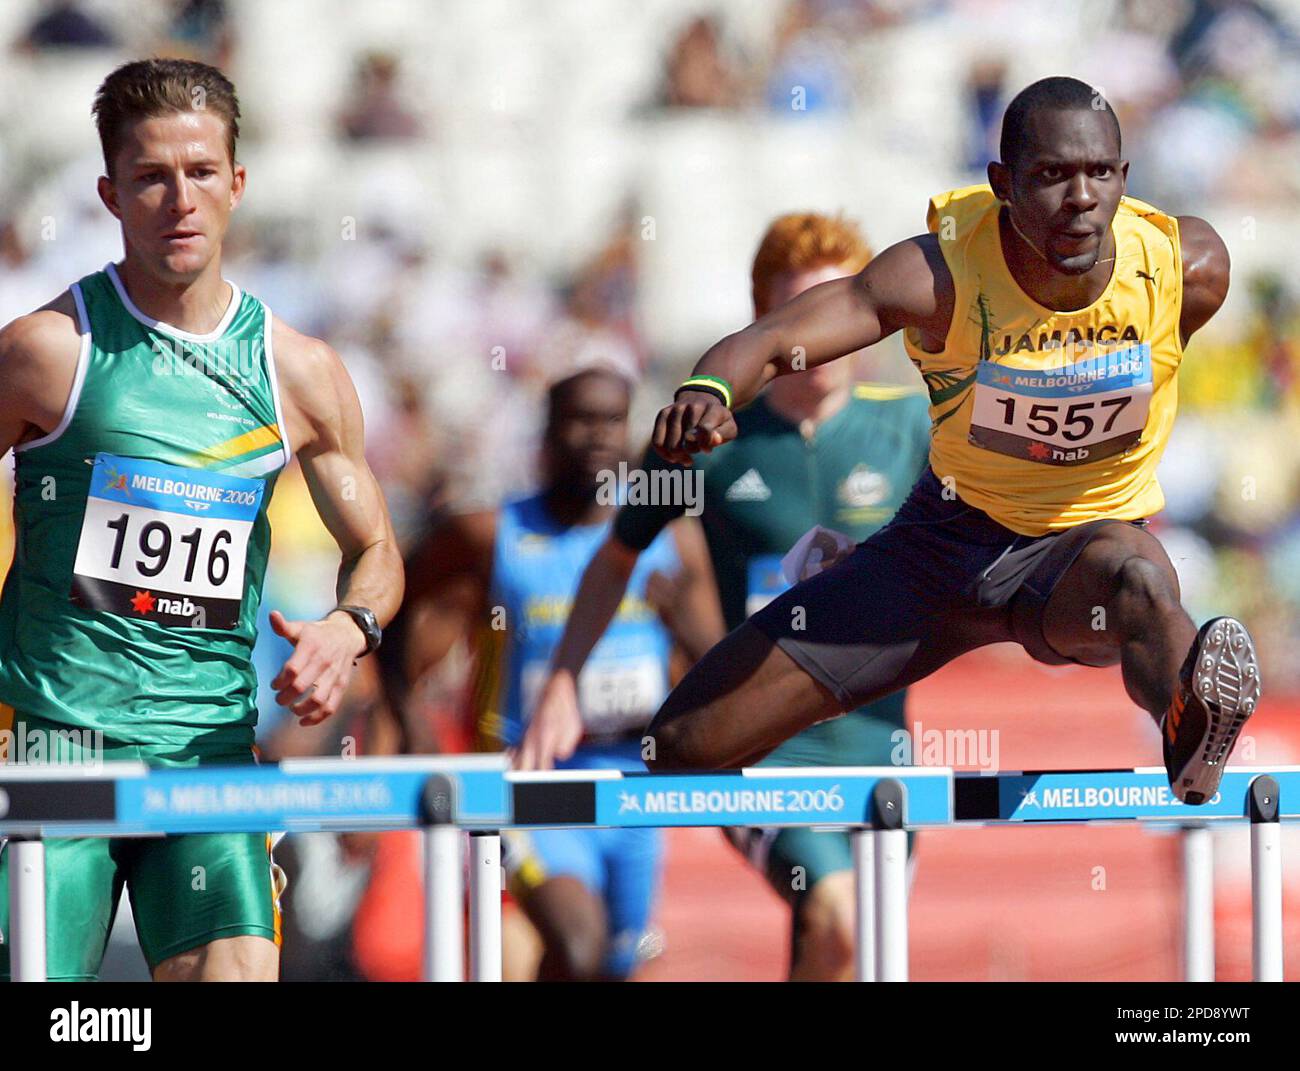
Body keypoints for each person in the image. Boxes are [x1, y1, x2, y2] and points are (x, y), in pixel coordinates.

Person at [643, 76, 1260, 808]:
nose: (1081, 198)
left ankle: (1192, 725)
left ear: (1125, 178)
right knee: (681, 744)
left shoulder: (1186, 271)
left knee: (1141, 584)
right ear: (1001, 182)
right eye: (1052, 176)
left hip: (1079, 556)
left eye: (1100, 173)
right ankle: (811, 728)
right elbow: (779, 339)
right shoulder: (939, 274)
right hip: (940, 550)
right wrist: (706, 392)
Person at [0, 58, 403, 981]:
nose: (178, 199)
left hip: (208, 755)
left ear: (238, 183)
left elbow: (376, 547)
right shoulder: (46, 353)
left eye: (200, 172)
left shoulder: (298, 373)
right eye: (150, 176)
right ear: (109, 192)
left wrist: (350, 626)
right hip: (58, 750)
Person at [522, 214, 930, 980]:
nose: (824, 342)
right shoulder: (710, 437)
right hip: (756, 741)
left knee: (859, 949)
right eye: (804, 313)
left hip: (882, 747)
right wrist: (564, 680)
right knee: (836, 914)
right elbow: (616, 557)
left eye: (838, 309)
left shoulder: (912, 425)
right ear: (770, 319)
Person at [380, 365, 720, 980]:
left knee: (616, 962)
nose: (596, 436)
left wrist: (680, 619)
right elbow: (392, 606)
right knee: (577, 944)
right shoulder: (490, 533)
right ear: (546, 433)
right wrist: (406, 714)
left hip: (634, 785)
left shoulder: (673, 538)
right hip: (528, 780)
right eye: (579, 420)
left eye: (612, 421)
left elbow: (720, 666)